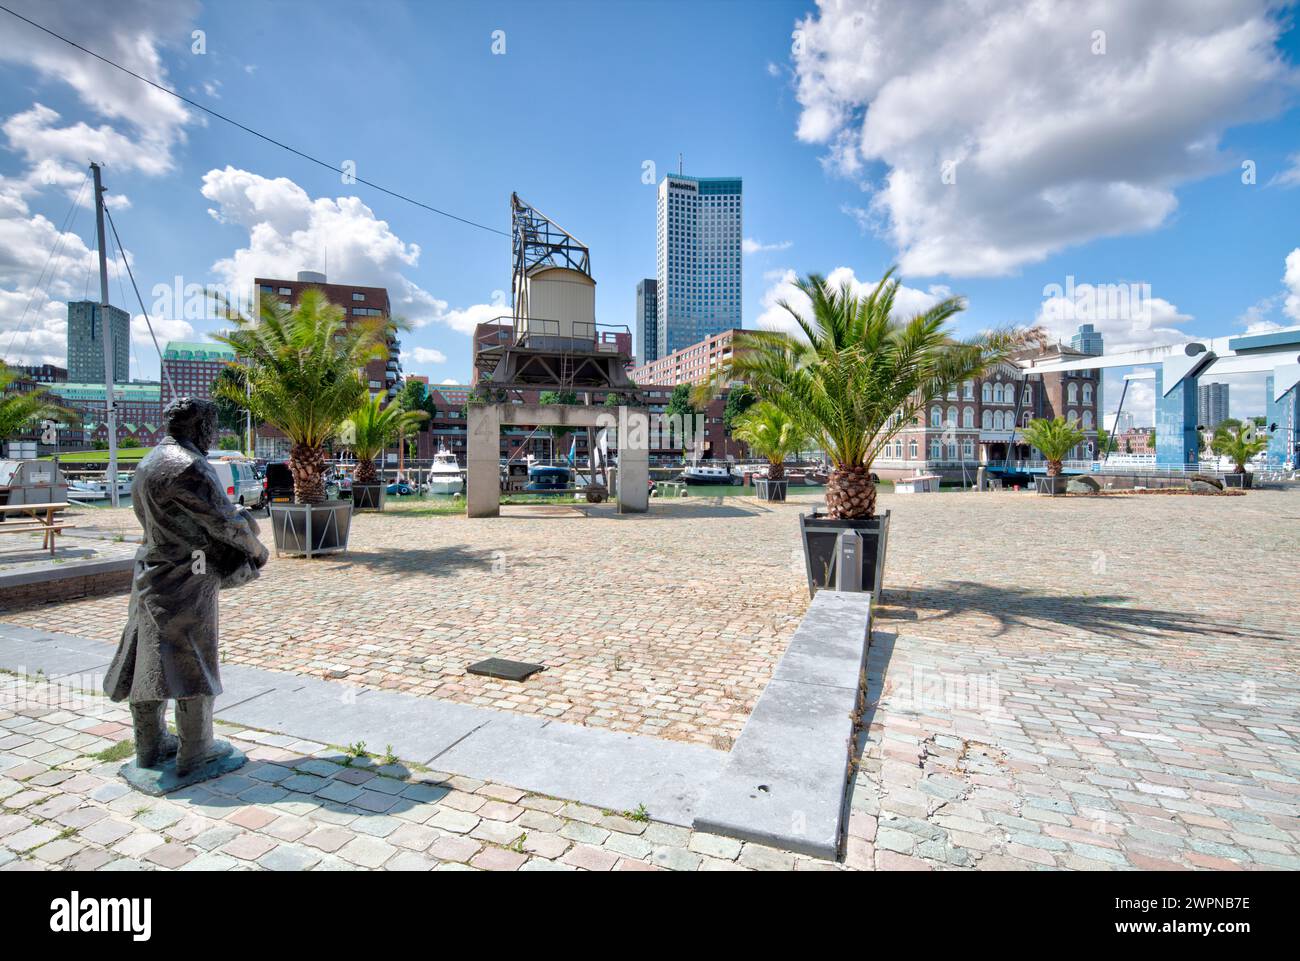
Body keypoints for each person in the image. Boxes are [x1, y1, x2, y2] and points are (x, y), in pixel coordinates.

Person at [104, 398, 269, 776]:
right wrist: (257, 552)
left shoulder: (148, 462)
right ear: (199, 427)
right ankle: (196, 750)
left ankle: (149, 746)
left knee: (145, 658)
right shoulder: (189, 465)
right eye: (211, 427)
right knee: (192, 659)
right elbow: (225, 522)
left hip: (150, 570)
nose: (213, 435)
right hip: (188, 574)